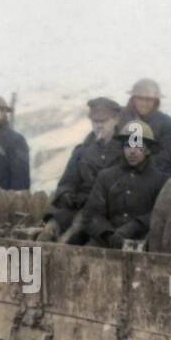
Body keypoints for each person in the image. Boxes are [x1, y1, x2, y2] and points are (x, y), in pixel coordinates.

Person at [41, 96, 123, 242]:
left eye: (103, 121)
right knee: (50, 228)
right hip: (79, 205)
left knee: (71, 236)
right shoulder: (81, 151)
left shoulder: (126, 150)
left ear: (115, 120)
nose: (99, 125)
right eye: (95, 121)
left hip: (109, 211)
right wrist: (66, 194)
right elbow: (67, 182)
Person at [80, 119, 169, 248]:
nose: (132, 151)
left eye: (138, 146)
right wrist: (108, 234)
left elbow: (162, 214)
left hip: (143, 243)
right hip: (105, 242)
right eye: (128, 145)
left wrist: (134, 227)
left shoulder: (161, 180)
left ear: (148, 150)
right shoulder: (106, 176)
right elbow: (91, 214)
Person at [119, 78, 171, 177]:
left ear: (156, 101)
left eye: (149, 100)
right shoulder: (120, 118)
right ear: (133, 99)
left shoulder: (166, 122)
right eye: (140, 98)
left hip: (156, 174)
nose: (144, 103)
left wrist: (142, 163)